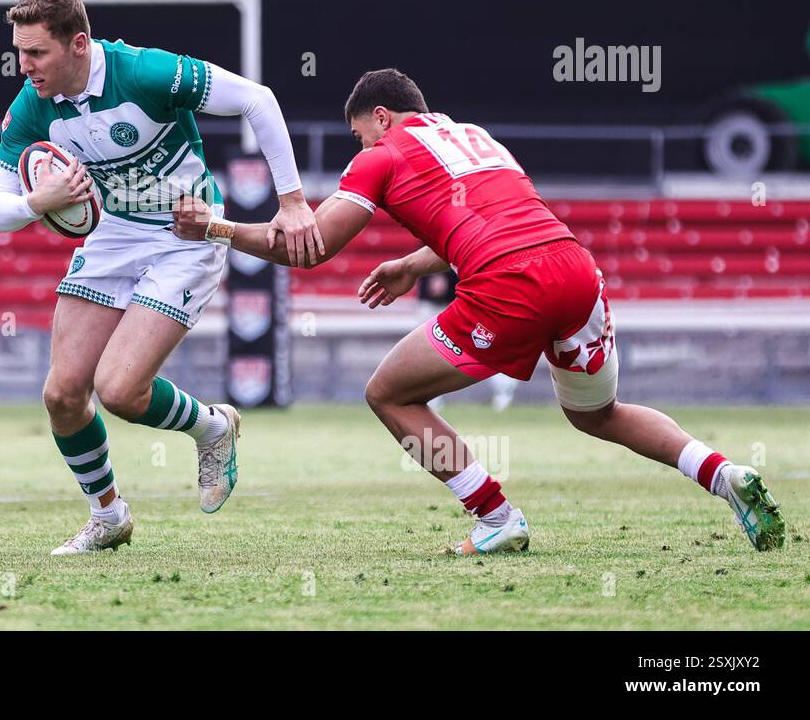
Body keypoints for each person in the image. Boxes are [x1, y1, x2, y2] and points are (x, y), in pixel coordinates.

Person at [173, 69, 785, 555]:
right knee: (600, 414)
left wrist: (217, 228)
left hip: (511, 284)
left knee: (389, 394)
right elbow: (493, 217)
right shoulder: (477, 136)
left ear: (380, 117)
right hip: (575, 271)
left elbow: (310, 247)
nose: (360, 146)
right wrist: (415, 266)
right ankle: (723, 474)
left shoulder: (383, 154)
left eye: (360, 134)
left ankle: (497, 517)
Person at [0, 0, 321, 554]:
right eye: (20, 52)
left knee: (118, 390)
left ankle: (212, 426)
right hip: (114, 233)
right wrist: (41, 202)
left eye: (37, 52)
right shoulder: (32, 106)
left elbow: (258, 99)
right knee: (63, 394)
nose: (25, 66)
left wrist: (290, 202)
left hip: (184, 234)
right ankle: (108, 515)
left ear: (80, 44)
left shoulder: (145, 73)